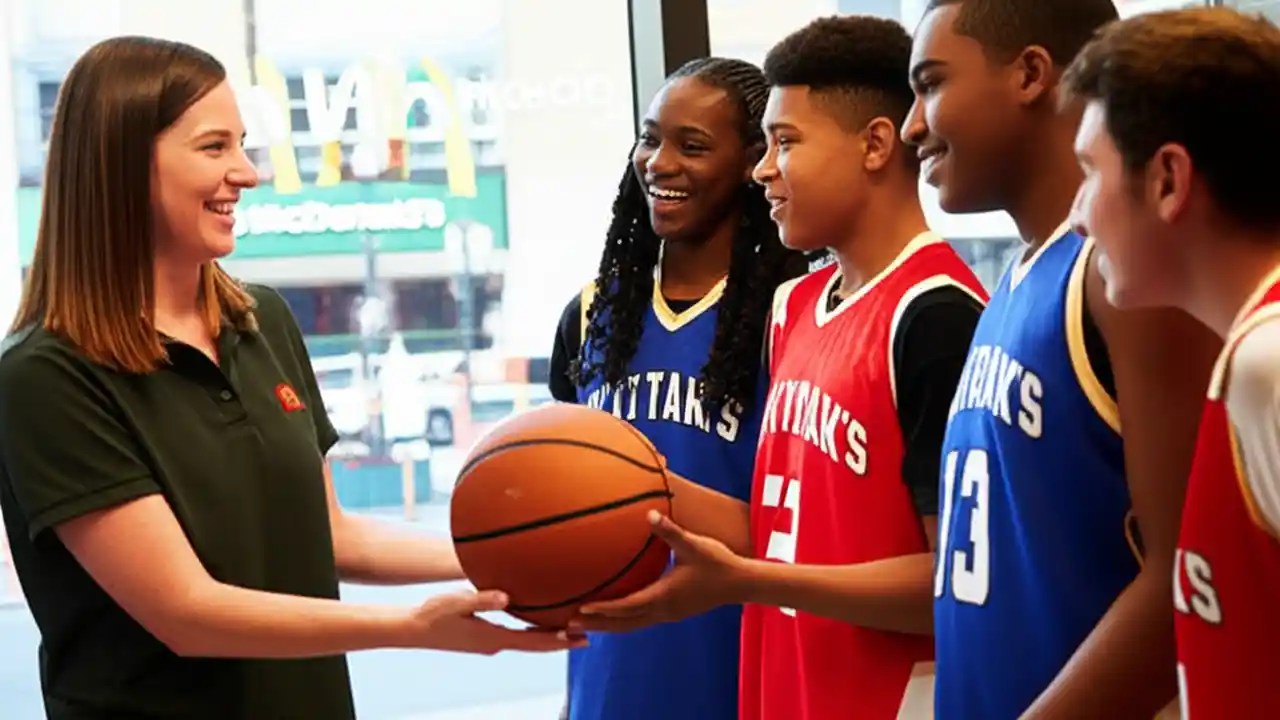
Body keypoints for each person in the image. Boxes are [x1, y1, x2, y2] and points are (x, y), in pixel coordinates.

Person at [0, 36, 580, 720]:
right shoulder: (45, 374)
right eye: (215, 147)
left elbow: (329, 537)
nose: (246, 172)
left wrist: (512, 557)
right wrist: (411, 629)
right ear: (122, 165)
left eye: (242, 144)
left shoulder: (260, 319)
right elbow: (186, 613)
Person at [572, 16, 988, 720]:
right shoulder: (794, 307)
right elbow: (775, 525)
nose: (763, 169)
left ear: (876, 145)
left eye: (784, 143)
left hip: (888, 700)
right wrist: (611, 483)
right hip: (783, 689)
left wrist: (753, 582)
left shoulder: (938, 314)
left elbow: (960, 585)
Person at [901, 1, 1222, 718]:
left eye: (930, 84)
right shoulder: (1013, 283)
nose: (911, 125)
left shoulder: (1124, 278)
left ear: (1030, 74)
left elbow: (1192, 573)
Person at [548, 56, 804, 720]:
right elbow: (562, 502)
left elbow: (806, 534)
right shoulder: (590, 315)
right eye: (649, 137)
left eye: (692, 146)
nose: (659, 162)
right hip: (605, 678)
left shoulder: (791, 316)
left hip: (739, 672)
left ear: (753, 160)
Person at [1063, 8, 1280, 718]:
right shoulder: (1250, 351)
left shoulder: (1268, 359)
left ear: (1167, 180)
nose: (1078, 216)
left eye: (1090, 173)